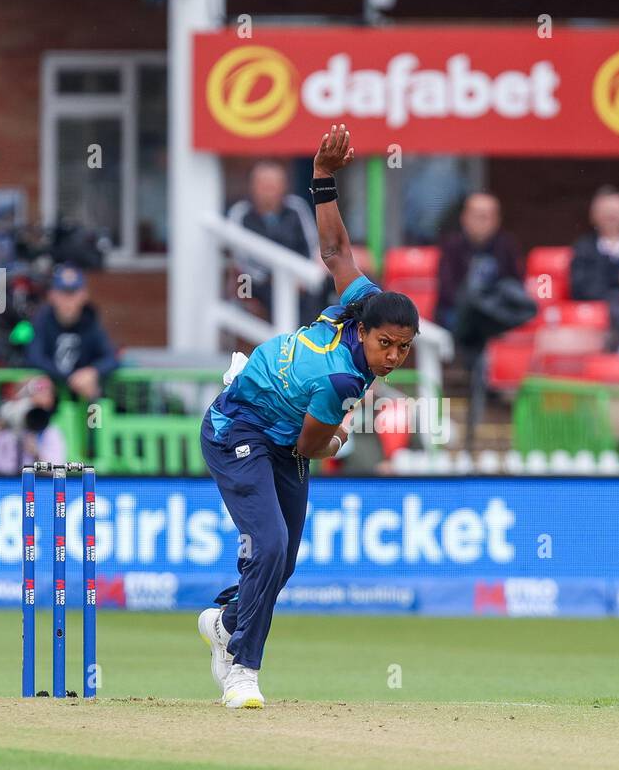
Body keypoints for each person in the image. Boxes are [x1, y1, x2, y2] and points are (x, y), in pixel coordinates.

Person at [196, 124, 420, 709]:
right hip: (236, 428)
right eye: (385, 345)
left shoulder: (359, 318)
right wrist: (339, 433)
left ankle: (225, 623)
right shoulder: (346, 369)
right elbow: (315, 441)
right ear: (363, 329)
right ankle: (242, 666)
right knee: (268, 543)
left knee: (284, 558)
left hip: (285, 437)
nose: (392, 358)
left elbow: (335, 252)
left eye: (404, 349)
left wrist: (322, 178)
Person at [226, 160, 322, 324]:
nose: (268, 191)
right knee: (245, 289)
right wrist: (273, 278)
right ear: (252, 186)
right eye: (263, 185)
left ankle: (310, 342)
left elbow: (311, 245)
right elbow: (239, 257)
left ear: (284, 186)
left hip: (298, 279)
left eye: (273, 185)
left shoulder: (297, 208)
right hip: (253, 281)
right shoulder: (240, 213)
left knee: (320, 292)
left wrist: (300, 277)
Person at [25, 263, 119, 401]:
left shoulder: (91, 321)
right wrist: (71, 378)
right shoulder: (40, 320)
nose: (68, 300)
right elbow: (34, 357)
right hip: (51, 397)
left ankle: (94, 422)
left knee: (96, 400)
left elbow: (111, 357)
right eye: (63, 293)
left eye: (73, 293)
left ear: (84, 295)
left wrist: (93, 372)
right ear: (52, 295)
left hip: (86, 396)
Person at [434, 191, 523, 331]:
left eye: (487, 216)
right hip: (459, 313)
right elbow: (447, 291)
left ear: (497, 220)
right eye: (477, 216)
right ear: (464, 218)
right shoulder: (452, 246)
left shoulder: (506, 246)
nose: (482, 222)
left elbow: (515, 284)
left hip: (496, 311)